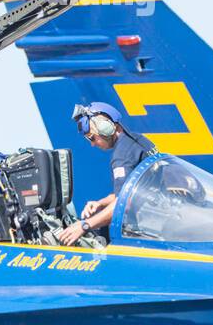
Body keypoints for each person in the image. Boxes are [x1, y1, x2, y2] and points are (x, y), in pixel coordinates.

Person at [58, 102, 155, 246]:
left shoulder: (122, 157)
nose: (92, 144)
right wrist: (100, 204)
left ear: (106, 128)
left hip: (151, 226)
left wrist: (84, 225)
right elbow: (130, 191)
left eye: (92, 138)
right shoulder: (139, 140)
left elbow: (125, 203)